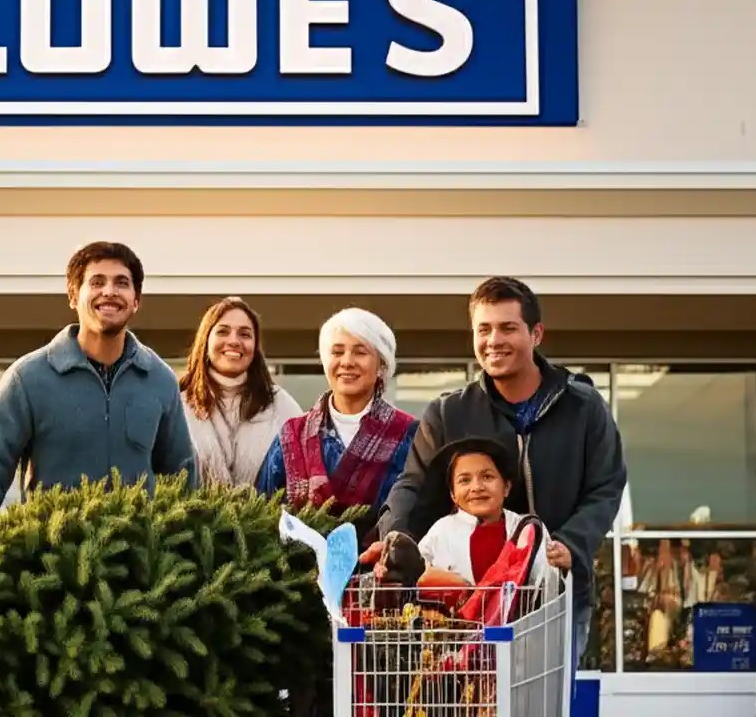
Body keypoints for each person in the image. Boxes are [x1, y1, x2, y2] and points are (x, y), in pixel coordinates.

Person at [366, 276, 626, 669]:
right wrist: (397, 539)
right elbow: (412, 486)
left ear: (536, 333)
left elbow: (606, 486)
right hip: (464, 608)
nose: (493, 340)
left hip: (554, 594)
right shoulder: (449, 413)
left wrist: (570, 544)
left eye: (508, 328)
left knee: (542, 703)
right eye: (483, 329)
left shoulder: (583, 406)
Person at [0, 241, 198, 524]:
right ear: (73, 295)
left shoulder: (159, 380)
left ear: (136, 300)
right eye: (96, 282)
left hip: (137, 562)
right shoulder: (28, 378)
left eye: (122, 283)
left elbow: (183, 478)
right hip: (51, 559)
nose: (109, 292)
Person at [257, 307, 418, 543]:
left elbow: (421, 514)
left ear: (382, 365)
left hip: (382, 573)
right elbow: (262, 513)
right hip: (299, 574)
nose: (347, 362)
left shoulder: (408, 433)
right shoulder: (292, 435)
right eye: (337, 352)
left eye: (360, 352)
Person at [179, 297, 304, 488]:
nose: (234, 341)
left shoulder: (281, 405)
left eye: (245, 334)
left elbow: (302, 474)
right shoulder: (177, 403)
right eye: (223, 331)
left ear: (255, 347)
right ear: (206, 340)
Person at [413, 436, 549, 589]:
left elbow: (546, 583)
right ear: (453, 494)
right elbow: (415, 575)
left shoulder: (528, 530)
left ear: (506, 487)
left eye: (487, 477)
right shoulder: (440, 532)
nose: (477, 487)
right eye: (464, 480)